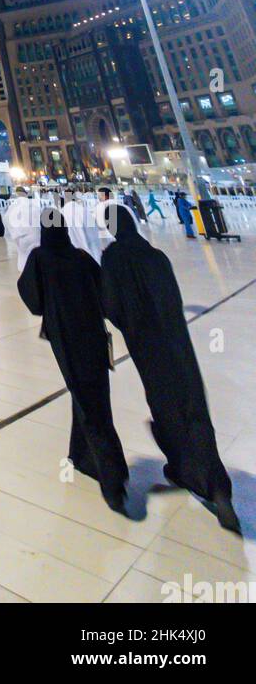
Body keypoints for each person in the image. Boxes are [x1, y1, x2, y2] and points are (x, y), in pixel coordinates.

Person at [101, 206, 239, 533]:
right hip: (177, 341)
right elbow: (173, 299)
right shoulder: (157, 256)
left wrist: (128, 326)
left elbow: (111, 305)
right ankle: (217, 485)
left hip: (146, 345)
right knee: (193, 408)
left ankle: (181, 468)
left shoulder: (113, 258)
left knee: (165, 407)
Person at [18, 206, 128, 514]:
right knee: (92, 396)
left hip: (67, 339)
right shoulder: (80, 257)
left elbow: (33, 301)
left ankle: (113, 480)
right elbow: (107, 294)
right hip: (94, 335)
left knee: (88, 403)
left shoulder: (40, 258)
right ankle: (80, 455)